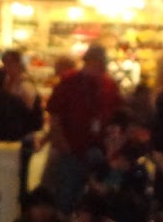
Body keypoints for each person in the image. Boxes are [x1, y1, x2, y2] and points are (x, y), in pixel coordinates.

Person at [45, 42, 122, 212]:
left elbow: (116, 118)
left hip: (97, 151)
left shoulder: (108, 86)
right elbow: (55, 116)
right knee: (66, 199)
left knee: (94, 202)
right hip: (73, 151)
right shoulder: (70, 82)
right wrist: (63, 144)